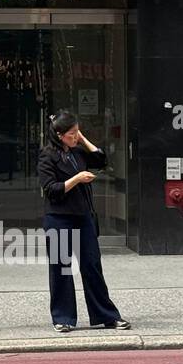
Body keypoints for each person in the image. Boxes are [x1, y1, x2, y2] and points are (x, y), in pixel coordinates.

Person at [37, 110, 131, 333]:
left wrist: (83, 139)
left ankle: (106, 315)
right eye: (72, 133)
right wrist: (77, 179)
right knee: (61, 269)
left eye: (77, 132)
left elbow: (100, 159)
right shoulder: (47, 156)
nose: (76, 136)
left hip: (83, 218)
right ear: (59, 135)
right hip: (59, 219)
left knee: (92, 266)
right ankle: (63, 317)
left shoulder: (78, 152)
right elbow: (51, 190)